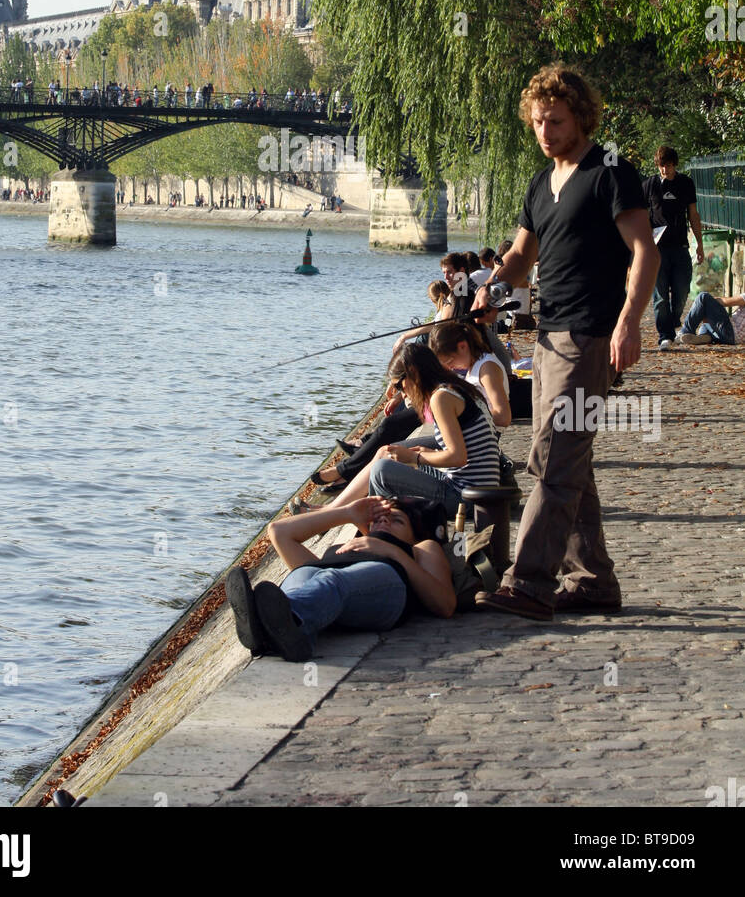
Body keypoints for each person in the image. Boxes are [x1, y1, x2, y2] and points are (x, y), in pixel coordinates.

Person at [470, 62, 658, 621]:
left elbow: (644, 251)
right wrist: (493, 286)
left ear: (580, 115)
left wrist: (630, 322)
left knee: (554, 456)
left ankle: (528, 581)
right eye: (537, 122)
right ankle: (594, 581)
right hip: (548, 338)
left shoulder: (611, 171)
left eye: (554, 121)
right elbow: (522, 261)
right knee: (565, 456)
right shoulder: (541, 183)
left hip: (591, 335)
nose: (545, 132)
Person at [225, 495, 455, 660]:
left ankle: (267, 621)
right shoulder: (342, 548)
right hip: (330, 583)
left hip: (390, 587)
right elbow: (278, 531)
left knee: (332, 580)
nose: (384, 521)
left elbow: (445, 604)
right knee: (303, 574)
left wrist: (393, 552)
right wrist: (347, 513)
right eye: (378, 518)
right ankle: (288, 635)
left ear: (413, 536)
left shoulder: (419, 548)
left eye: (397, 520)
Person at [327, 342, 500, 519]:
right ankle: (339, 513)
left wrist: (414, 458)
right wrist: (428, 454)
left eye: (400, 386)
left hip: (468, 498)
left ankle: (377, 530)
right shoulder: (455, 387)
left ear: (414, 373)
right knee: (387, 454)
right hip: (475, 489)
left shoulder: (441, 398)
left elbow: (458, 457)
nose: (402, 394)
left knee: (381, 472)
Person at [643, 146, 704, 349]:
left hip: (680, 246)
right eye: (661, 166)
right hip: (657, 249)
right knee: (660, 296)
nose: (665, 170)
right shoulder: (649, 185)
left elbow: (693, 215)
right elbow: (641, 217)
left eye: (668, 166)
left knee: (682, 292)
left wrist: (700, 244)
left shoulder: (685, 184)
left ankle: (672, 322)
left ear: (674, 165)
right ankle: (665, 336)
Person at [676, 290, 745, 345]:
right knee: (707, 323)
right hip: (733, 339)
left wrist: (709, 301)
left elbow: (726, 302)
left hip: (731, 332)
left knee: (703, 296)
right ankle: (705, 336)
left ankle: (684, 332)